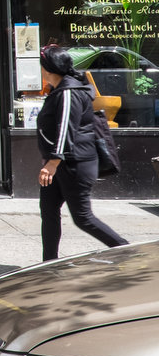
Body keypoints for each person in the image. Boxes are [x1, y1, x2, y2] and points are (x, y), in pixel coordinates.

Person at [37, 43, 128, 261]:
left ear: (48, 69)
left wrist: (53, 162)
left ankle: (127, 250)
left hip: (74, 163)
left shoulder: (69, 92)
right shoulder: (61, 89)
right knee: (49, 212)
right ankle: (49, 263)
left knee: (82, 217)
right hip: (61, 164)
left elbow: (66, 129)